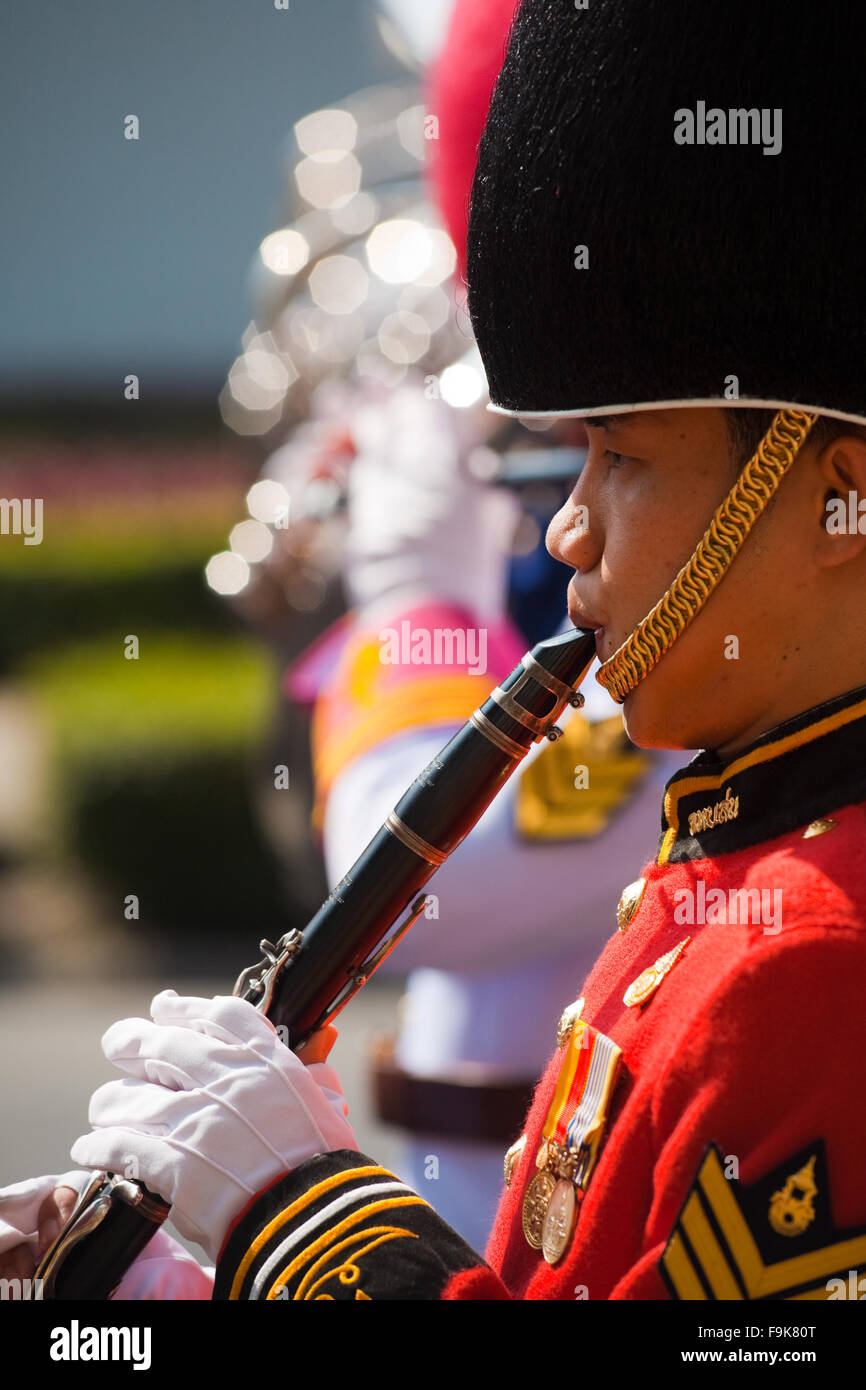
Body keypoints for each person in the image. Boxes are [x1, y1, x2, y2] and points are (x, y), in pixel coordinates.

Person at [8, 0, 866, 1301]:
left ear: (837, 495)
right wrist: (156, 1289)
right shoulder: (750, 850)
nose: (567, 526)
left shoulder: (820, 951)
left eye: (619, 457)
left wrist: (302, 1216)